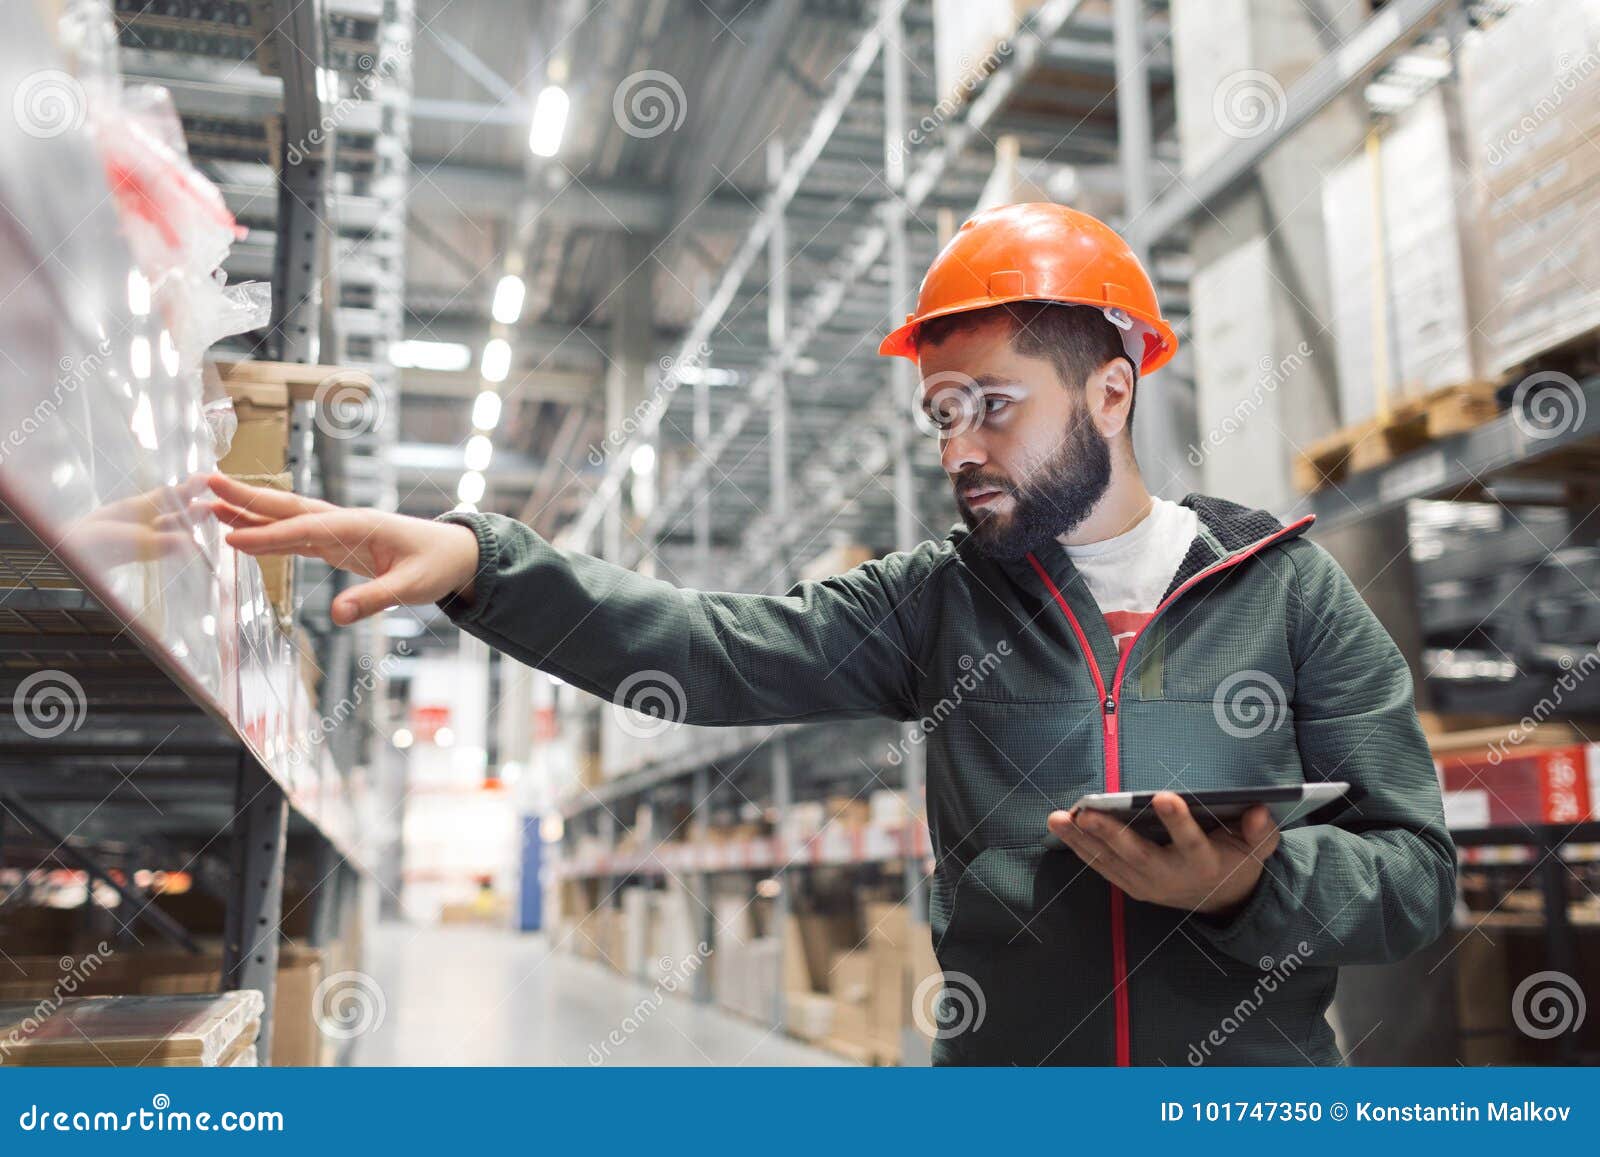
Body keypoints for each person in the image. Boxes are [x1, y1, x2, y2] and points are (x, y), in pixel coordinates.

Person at [209, 203, 1455, 1066]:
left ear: (1112, 391)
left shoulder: (1290, 594)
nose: (960, 446)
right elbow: (705, 649)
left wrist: (1249, 881)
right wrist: (488, 561)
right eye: (941, 413)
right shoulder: (937, 600)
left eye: (996, 407)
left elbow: (1416, 880)